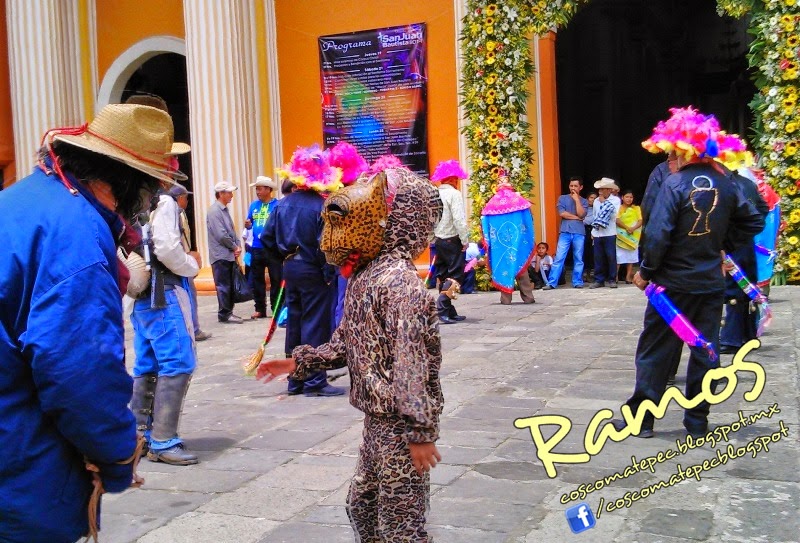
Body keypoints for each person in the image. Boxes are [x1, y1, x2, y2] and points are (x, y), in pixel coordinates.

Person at [0, 103, 184, 541]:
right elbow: (79, 371)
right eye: (149, 186)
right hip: (20, 463)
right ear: (126, 178)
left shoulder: (22, 198)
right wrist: (119, 456)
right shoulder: (77, 232)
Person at [256, 167, 444, 541]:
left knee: (400, 520)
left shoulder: (402, 286)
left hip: (397, 427)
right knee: (363, 505)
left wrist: (420, 432)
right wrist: (301, 361)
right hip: (375, 422)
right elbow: (348, 340)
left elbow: (412, 364)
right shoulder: (366, 274)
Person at [612, 106, 764, 439]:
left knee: (655, 350)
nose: (670, 158)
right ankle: (697, 422)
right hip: (708, 281)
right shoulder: (727, 183)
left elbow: (658, 232)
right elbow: (755, 219)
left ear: (682, 149)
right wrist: (723, 244)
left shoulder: (674, 183)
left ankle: (643, 420)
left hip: (672, 285)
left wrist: (646, 271)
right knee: (705, 350)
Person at [262, 144, 345, 396]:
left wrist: (282, 264)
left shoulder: (280, 205)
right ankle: (313, 380)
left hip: (291, 268)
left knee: (295, 323)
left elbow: (266, 240)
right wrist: (329, 274)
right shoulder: (321, 207)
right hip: (313, 269)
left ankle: (295, 379)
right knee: (315, 324)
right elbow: (326, 246)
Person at [130, 181, 202, 466]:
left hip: (140, 297)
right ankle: (163, 439)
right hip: (164, 293)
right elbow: (168, 249)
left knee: (147, 364)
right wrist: (191, 265)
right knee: (178, 362)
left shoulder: (132, 197)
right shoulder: (166, 202)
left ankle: (140, 435)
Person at [480, 179, 536, 304]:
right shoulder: (520, 201)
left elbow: (484, 221)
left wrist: (487, 240)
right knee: (521, 266)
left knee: (503, 267)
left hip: (499, 244)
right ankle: (528, 297)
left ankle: (506, 299)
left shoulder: (491, 203)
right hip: (518, 240)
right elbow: (529, 220)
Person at [171, 184, 212, 341]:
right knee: (188, 295)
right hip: (182, 260)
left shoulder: (180, 213)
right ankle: (193, 329)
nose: (187, 201)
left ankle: (192, 328)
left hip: (184, 258)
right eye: (186, 198)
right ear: (180, 198)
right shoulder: (175, 214)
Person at [430, 159, 469, 321]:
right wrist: (465, 239)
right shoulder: (454, 194)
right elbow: (459, 219)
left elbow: (429, 220)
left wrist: (432, 239)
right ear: (452, 179)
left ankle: (449, 311)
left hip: (438, 241)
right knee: (455, 276)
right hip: (452, 240)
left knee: (443, 275)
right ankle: (442, 307)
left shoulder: (434, 193)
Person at [207, 181, 245, 323]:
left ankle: (228, 311)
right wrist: (235, 247)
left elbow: (231, 231)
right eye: (228, 192)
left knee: (228, 284)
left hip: (227, 254)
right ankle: (225, 313)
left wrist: (237, 245)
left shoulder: (223, 210)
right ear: (221, 194)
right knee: (223, 285)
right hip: (220, 255)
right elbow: (221, 234)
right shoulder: (214, 211)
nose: (231, 195)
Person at [543, 176, 588, 289]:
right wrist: (577, 218)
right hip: (565, 232)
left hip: (579, 232)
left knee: (578, 258)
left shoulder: (584, 201)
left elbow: (582, 214)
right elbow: (562, 213)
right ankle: (552, 282)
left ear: (581, 187)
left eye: (575, 186)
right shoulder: (562, 198)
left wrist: (577, 200)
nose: (573, 188)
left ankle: (577, 281)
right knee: (559, 257)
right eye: (571, 185)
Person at [245, 175, 278, 319]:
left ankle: (276, 308)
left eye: (260, 189)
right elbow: (250, 222)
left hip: (272, 248)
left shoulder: (277, 205)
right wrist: (248, 225)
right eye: (257, 189)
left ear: (268, 189)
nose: (257, 192)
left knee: (276, 279)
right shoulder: (253, 206)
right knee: (257, 279)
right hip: (256, 247)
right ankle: (260, 308)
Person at [589, 177, 621, 288]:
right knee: (598, 257)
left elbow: (614, 214)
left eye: (602, 189)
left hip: (610, 232)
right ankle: (599, 279)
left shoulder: (616, 200)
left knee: (611, 256)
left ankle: (612, 279)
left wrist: (604, 203)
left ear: (608, 190)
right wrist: (593, 231)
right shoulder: (596, 201)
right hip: (598, 233)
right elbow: (595, 216)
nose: (600, 191)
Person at [615, 189, 643, 283]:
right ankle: (615, 277)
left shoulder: (636, 208)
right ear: (622, 197)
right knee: (618, 257)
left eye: (631, 197)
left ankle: (628, 277)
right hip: (621, 236)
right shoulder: (618, 208)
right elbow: (617, 220)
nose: (629, 199)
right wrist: (627, 228)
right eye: (627, 197)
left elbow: (640, 221)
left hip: (633, 236)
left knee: (631, 258)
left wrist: (633, 228)